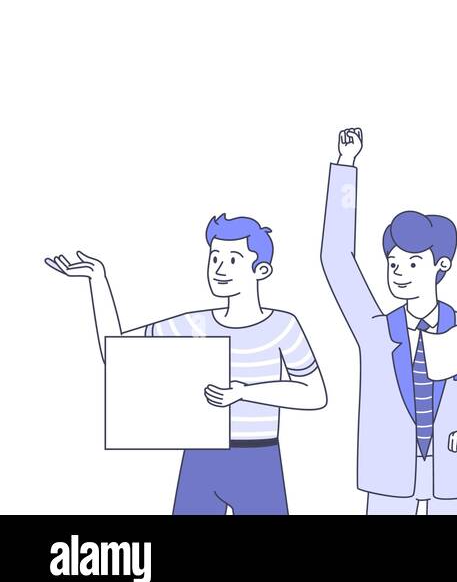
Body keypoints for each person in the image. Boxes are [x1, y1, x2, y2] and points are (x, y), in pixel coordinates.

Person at [45, 215, 327, 514]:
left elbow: (314, 394)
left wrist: (243, 392)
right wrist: (98, 281)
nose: (219, 269)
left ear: (261, 270)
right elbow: (116, 352)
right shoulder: (195, 323)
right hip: (201, 459)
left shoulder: (283, 326)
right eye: (214, 257)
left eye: (234, 259)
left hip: (258, 458)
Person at [321, 128, 457, 515]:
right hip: (388, 479)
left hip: (455, 477)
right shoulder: (374, 329)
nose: (399, 272)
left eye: (413, 263)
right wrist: (345, 166)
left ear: (441, 266)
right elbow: (336, 258)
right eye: (393, 263)